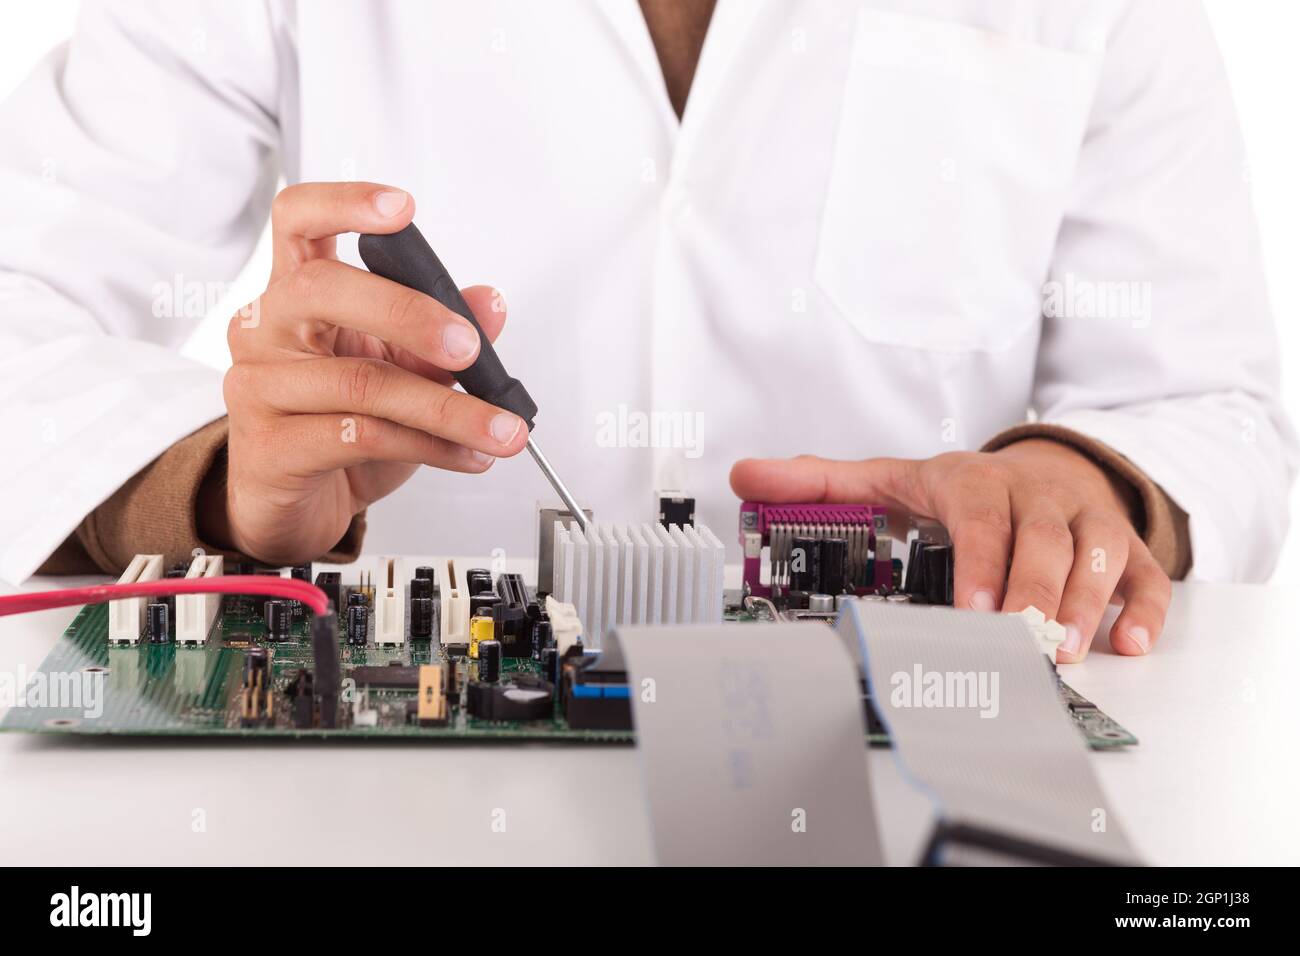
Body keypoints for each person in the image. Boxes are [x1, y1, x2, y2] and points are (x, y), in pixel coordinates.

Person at [0, 1, 1292, 664]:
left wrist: (1082, 485)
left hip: (918, 746)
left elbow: (1208, 407)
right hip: (400, 755)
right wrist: (228, 485)